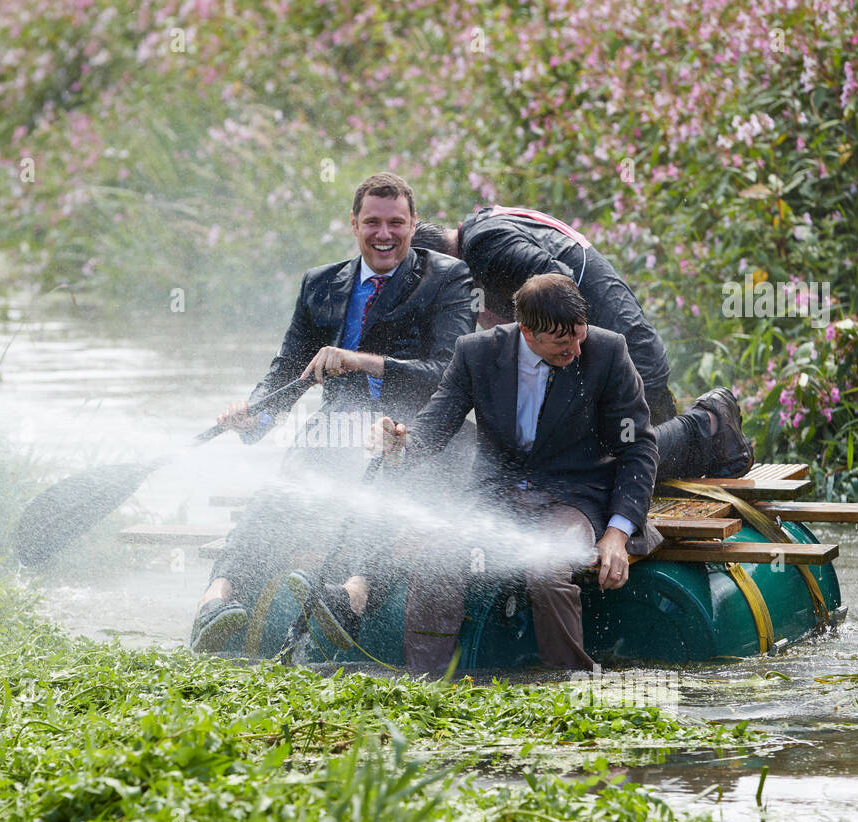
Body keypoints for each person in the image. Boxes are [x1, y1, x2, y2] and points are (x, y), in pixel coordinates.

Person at [295, 273, 661, 672]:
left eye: (579, 335)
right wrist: (400, 443)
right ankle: (427, 683)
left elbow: (638, 446)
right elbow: (433, 428)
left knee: (546, 568)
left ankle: (570, 684)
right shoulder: (476, 352)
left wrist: (616, 534)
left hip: (573, 497)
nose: (575, 349)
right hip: (493, 496)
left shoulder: (607, 352)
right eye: (562, 342)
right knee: (436, 557)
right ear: (527, 332)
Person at [190, 172, 475, 651]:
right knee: (277, 498)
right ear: (353, 224)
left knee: (391, 493)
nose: (384, 234)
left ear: (414, 223)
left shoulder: (448, 278)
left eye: (396, 223)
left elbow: (448, 371)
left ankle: (350, 600)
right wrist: (253, 417)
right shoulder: (319, 284)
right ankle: (214, 601)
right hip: (336, 430)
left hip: (416, 431)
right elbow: (287, 370)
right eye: (372, 223)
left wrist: (360, 360)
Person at [411, 206, 752, 480]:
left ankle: (709, 421)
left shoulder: (487, 247)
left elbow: (561, 282)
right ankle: (700, 439)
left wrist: (515, 325)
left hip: (624, 363)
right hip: (619, 353)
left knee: (578, 469)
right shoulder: (482, 226)